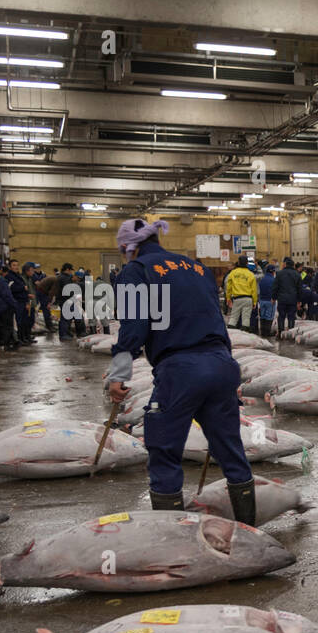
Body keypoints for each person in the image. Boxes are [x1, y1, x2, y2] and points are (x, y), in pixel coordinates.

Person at [104, 218, 256, 522]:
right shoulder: (196, 268)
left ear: (127, 247)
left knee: (163, 452)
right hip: (222, 364)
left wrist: (119, 373)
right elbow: (215, 317)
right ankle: (248, 532)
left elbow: (134, 326)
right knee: (230, 450)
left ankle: (172, 538)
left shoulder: (137, 270)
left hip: (181, 370)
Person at [4, 259, 35, 345]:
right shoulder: (9, 277)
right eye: (14, 265)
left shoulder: (17, 276)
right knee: (18, 321)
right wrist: (22, 288)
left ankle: (24, 337)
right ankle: (19, 339)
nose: (16, 267)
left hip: (23, 301)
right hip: (16, 302)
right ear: (10, 267)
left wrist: (27, 300)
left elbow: (24, 289)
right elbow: (10, 289)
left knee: (24, 321)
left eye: (17, 265)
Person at [224, 258, 258, 331]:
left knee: (233, 317)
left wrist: (228, 298)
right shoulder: (251, 274)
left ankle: (231, 335)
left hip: (237, 298)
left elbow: (228, 287)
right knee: (246, 318)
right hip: (248, 299)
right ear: (247, 264)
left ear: (238, 263)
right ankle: (244, 335)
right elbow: (254, 289)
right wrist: (254, 301)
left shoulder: (233, 273)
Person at [271, 255, 300, 334]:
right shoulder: (297, 274)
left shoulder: (279, 273)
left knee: (281, 316)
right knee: (291, 317)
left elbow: (275, 287)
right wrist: (299, 301)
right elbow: (299, 289)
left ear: (285, 264)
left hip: (282, 299)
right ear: (293, 265)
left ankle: (281, 333)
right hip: (293, 299)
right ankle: (290, 333)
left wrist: (273, 298)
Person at [56, 263, 78, 339]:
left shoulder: (65, 277)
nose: (71, 272)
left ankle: (67, 332)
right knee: (65, 318)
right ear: (67, 269)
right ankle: (63, 335)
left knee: (68, 317)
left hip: (66, 300)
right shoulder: (64, 278)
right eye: (71, 270)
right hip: (65, 300)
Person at [256, 262, 277, 336]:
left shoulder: (262, 279)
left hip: (261, 301)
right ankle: (267, 333)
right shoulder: (274, 280)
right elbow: (275, 290)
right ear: (273, 272)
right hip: (270, 301)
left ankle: (262, 332)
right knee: (269, 317)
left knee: (262, 316)